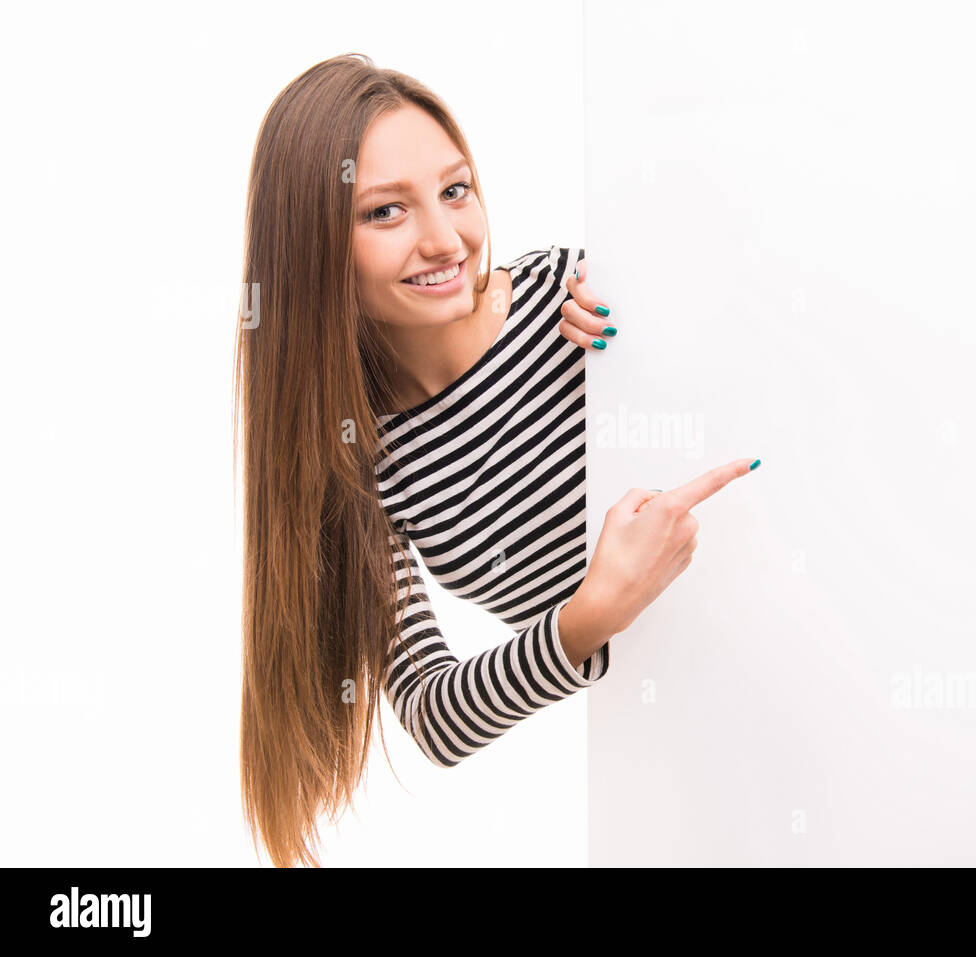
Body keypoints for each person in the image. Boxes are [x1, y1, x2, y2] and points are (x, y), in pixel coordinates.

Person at [233, 52, 759, 868]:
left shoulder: (575, 297)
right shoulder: (363, 470)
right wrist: (591, 616)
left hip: (808, 632)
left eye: (454, 189)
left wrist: (651, 321)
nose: (445, 239)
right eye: (385, 213)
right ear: (311, 251)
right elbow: (435, 717)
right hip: (676, 763)